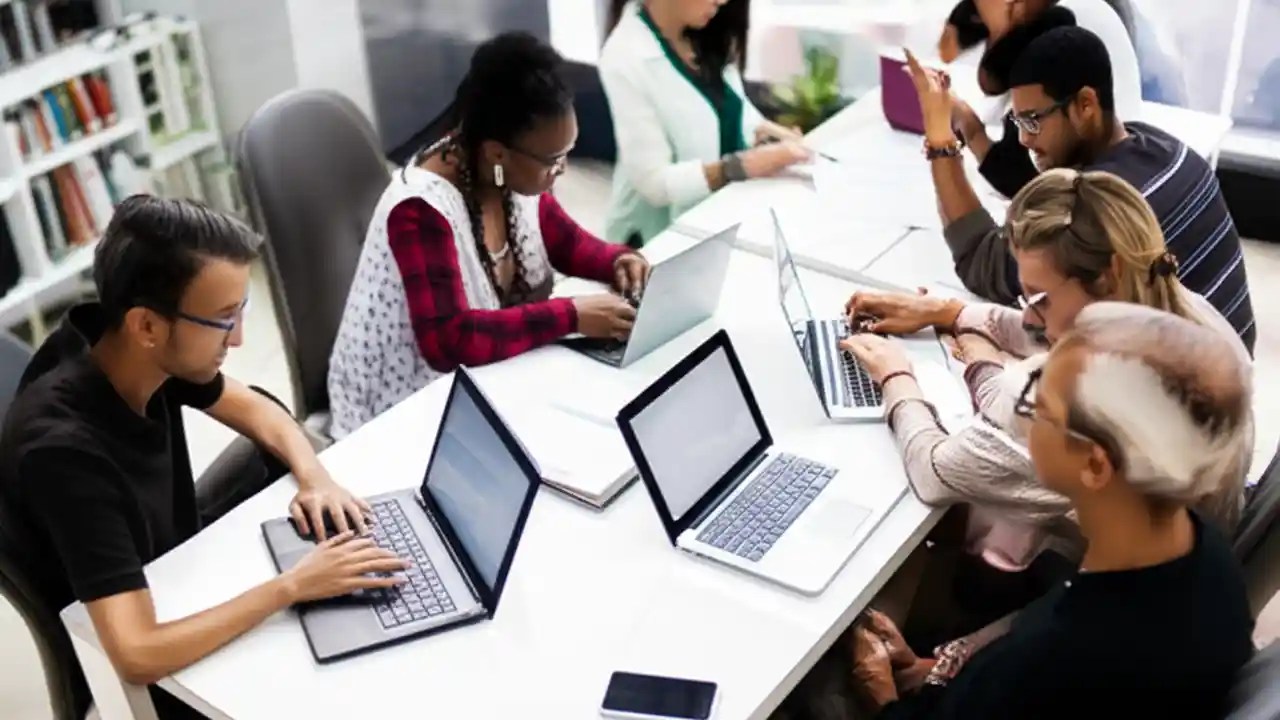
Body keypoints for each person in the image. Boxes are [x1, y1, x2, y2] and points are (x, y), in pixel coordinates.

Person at [0, 196, 407, 720]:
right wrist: (294, 585)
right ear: (147, 326)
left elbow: (263, 414)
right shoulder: (64, 452)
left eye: (241, 312)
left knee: (287, 451)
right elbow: (136, 653)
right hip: (142, 641)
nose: (238, 338)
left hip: (169, 557)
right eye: (222, 319)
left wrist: (316, 479)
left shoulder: (117, 340)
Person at [848, 303, 1256, 719]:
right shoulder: (1205, 553)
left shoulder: (1057, 653)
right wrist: (934, 670)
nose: (1023, 409)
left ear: (1095, 465)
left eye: (1038, 404)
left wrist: (878, 689)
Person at [840, 169, 1253, 573]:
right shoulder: (1187, 312)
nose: (1031, 319)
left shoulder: (1093, 405)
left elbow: (934, 472)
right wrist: (951, 312)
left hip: (1112, 607)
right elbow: (1041, 333)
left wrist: (895, 376)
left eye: (1039, 299)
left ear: (1109, 279)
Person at [327, 33, 650, 439]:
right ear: (498, 152)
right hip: (404, 418)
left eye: (568, 152)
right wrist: (572, 315)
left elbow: (566, 242)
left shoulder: (511, 176)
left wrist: (619, 260)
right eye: (553, 159)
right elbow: (451, 341)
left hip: (486, 388)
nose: (563, 170)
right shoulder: (419, 210)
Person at [909, 26, 1255, 353]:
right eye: (1018, 122)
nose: (1025, 139)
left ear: (1085, 104)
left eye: (1032, 121)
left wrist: (940, 138)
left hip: (1182, 400)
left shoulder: (1099, 212)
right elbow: (1039, 189)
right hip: (1228, 371)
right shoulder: (1157, 145)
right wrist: (969, 126)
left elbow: (981, 261)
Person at [600, 0, 812, 247]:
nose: (722, 2)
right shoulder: (625, 56)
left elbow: (732, 109)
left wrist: (772, 134)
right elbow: (654, 183)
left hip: (721, 220)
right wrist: (737, 168)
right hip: (653, 243)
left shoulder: (707, 35)